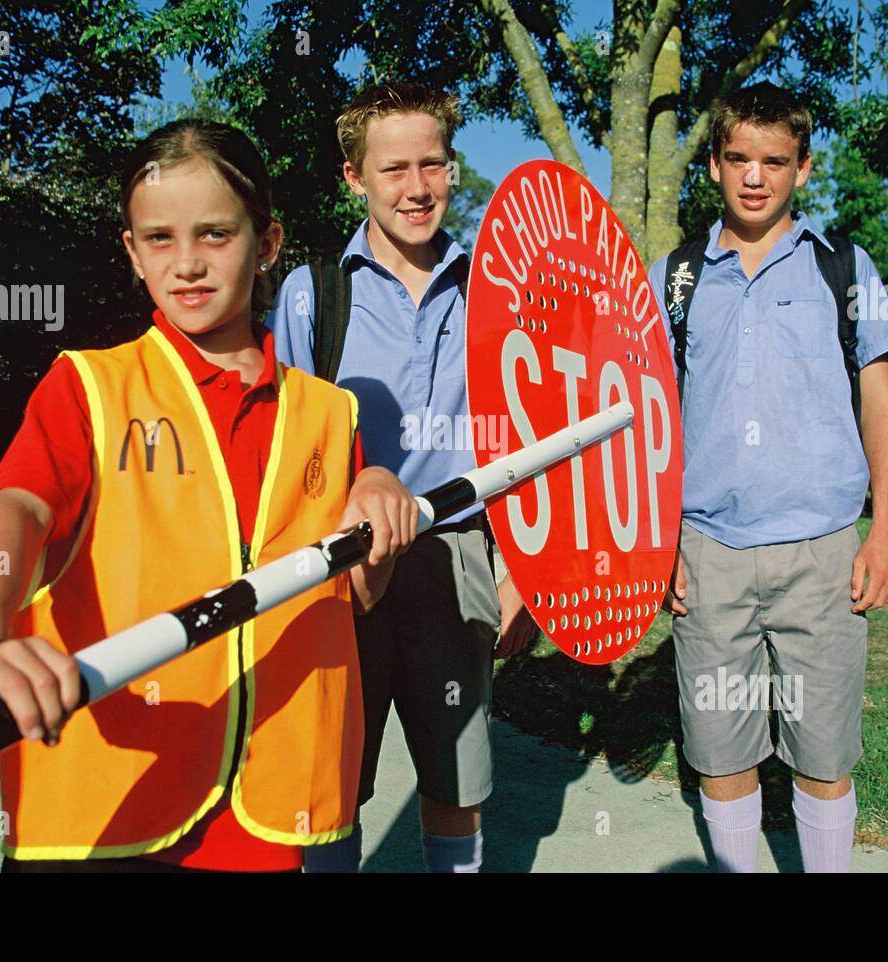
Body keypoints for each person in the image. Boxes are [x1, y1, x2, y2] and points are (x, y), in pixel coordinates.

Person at [0, 118, 418, 873]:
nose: (187, 263)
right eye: (158, 238)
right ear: (131, 251)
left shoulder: (331, 412)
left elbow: (356, 592)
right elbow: (17, 508)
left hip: (261, 828)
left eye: (216, 234)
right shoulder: (90, 386)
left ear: (269, 243)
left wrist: (381, 493)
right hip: (101, 813)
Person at [268, 82, 536, 873]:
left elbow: (531, 434)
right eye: (393, 169)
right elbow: (285, 452)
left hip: (458, 557)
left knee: (457, 781)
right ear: (353, 177)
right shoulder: (313, 294)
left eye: (433, 163)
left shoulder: (501, 290)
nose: (417, 188)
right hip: (341, 566)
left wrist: (522, 567)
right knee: (330, 783)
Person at [649, 82, 888, 873]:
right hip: (707, 553)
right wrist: (657, 544)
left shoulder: (843, 267)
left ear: (803, 167)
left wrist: (887, 531)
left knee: (823, 755)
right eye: (737, 159)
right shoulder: (675, 277)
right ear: (716, 165)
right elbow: (646, 420)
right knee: (720, 751)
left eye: (774, 161)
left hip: (822, 550)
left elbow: (880, 398)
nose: (754, 177)